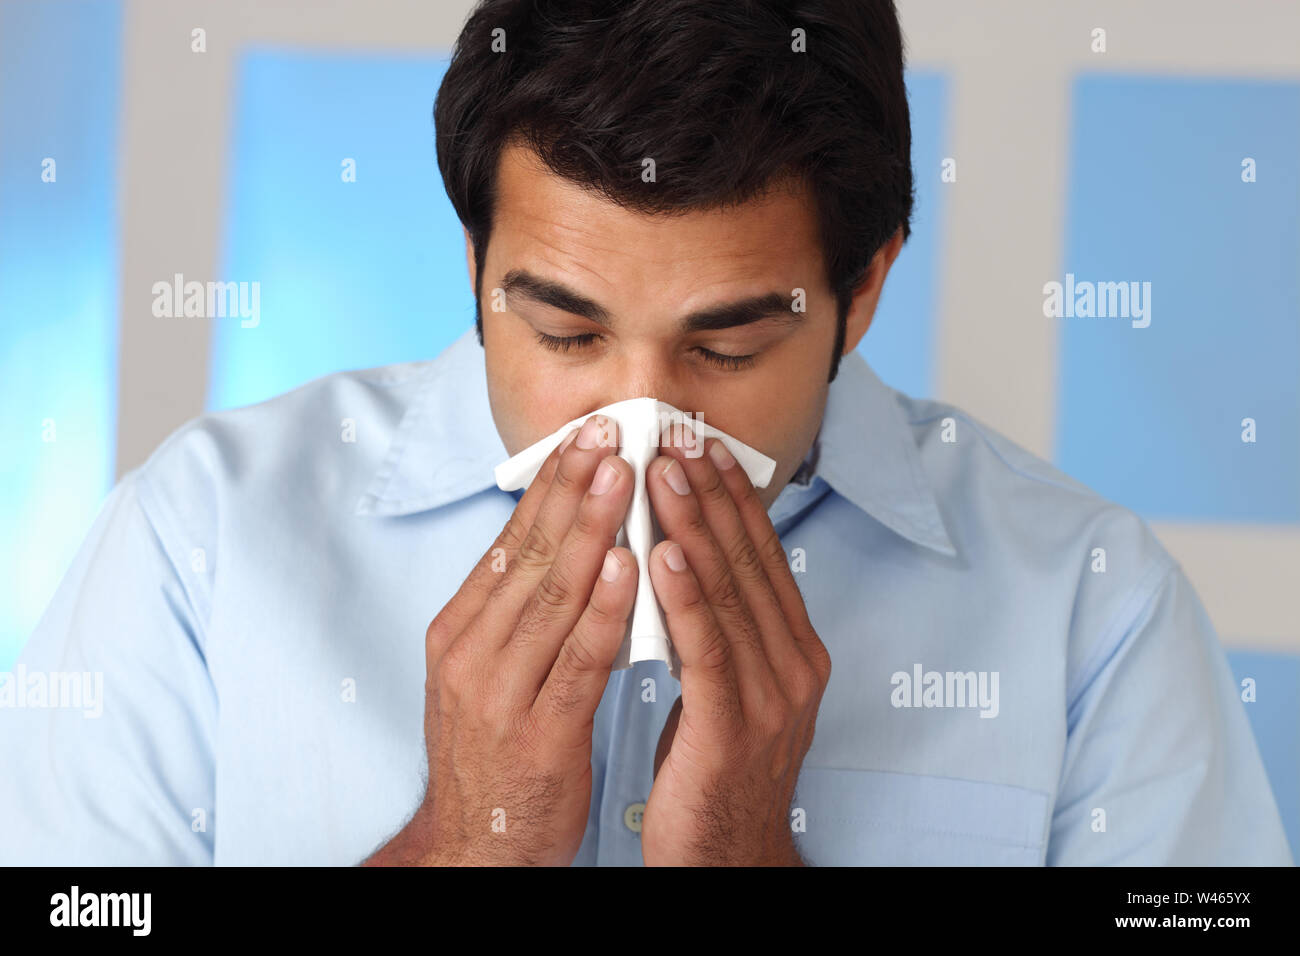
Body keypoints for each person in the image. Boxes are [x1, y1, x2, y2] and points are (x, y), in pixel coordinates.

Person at [1, 0, 1290, 866]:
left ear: (864, 290)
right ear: (475, 266)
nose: (641, 423)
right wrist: (464, 846)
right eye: (565, 331)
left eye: (727, 348)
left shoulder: (1091, 613)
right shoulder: (203, 540)